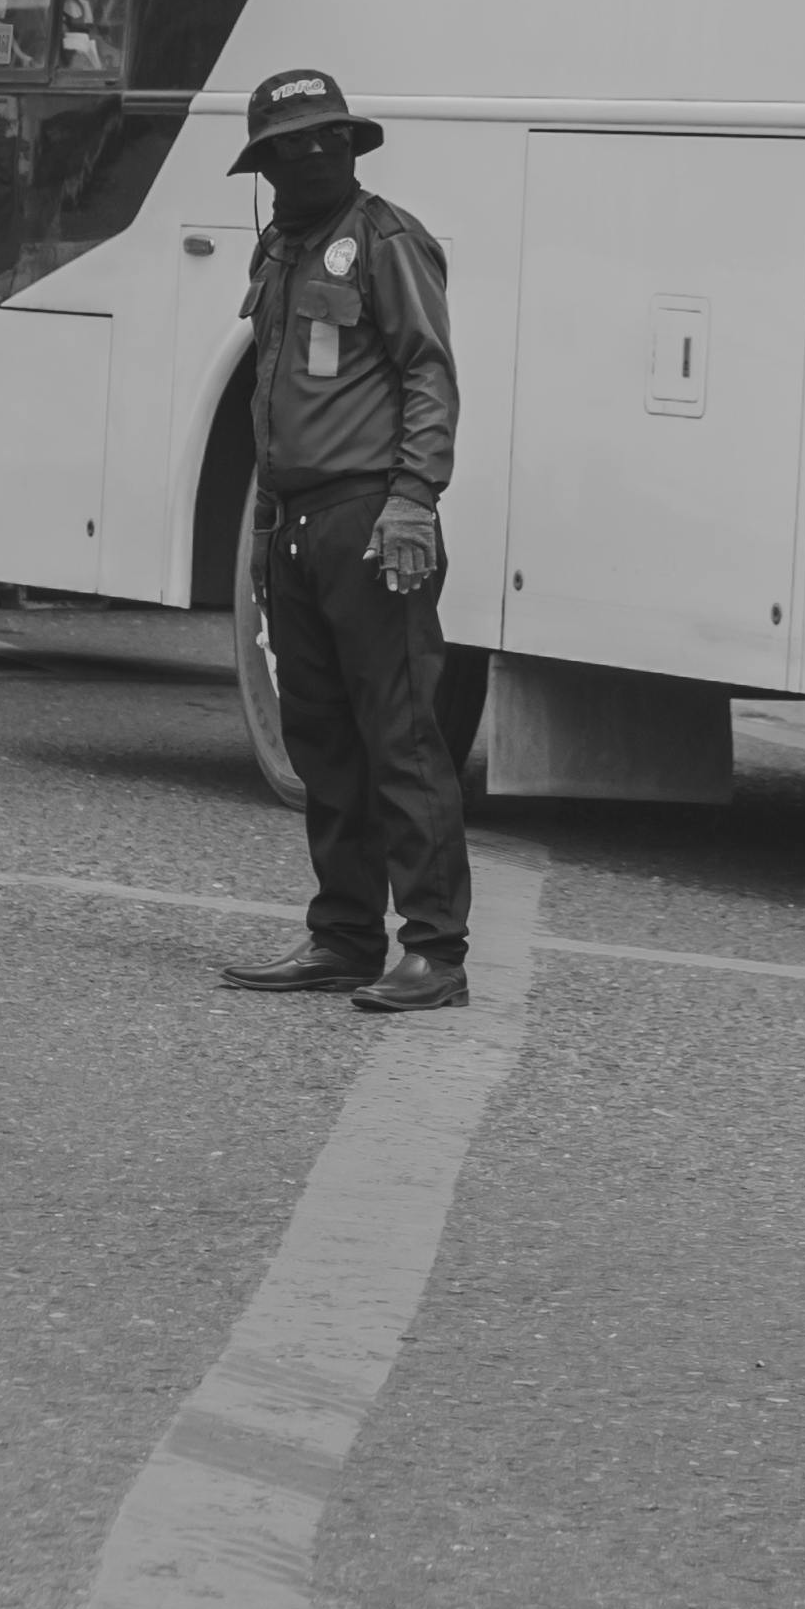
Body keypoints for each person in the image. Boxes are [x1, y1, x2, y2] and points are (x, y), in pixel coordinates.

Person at [212, 68, 472, 1013]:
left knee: (399, 736)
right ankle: (345, 936)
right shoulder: (281, 251)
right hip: (299, 525)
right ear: (265, 164)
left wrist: (414, 500)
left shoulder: (387, 241)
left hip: (373, 519)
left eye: (330, 141)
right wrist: (264, 528)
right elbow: (269, 394)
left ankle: (435, 952)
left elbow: (428, 376)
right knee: (325, 743)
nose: (315, 156)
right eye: (295, 145)